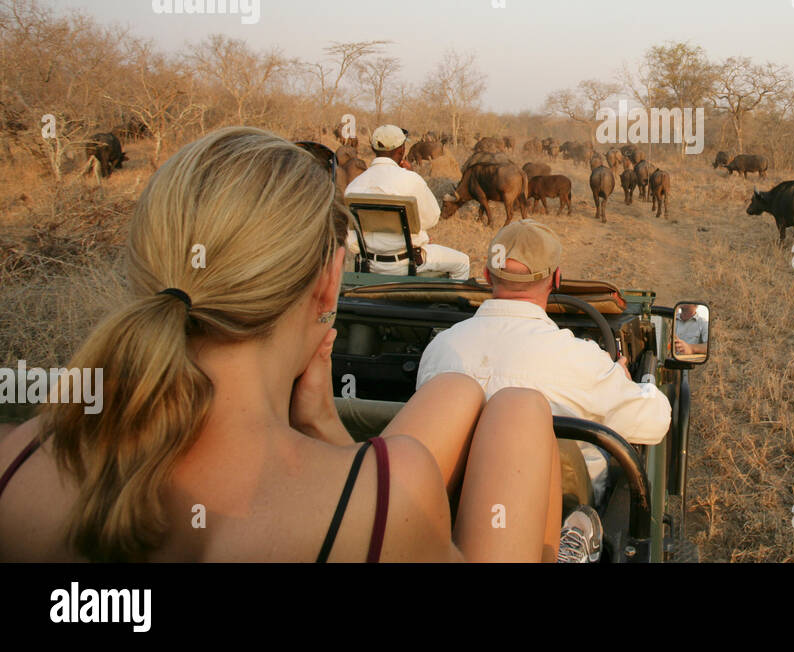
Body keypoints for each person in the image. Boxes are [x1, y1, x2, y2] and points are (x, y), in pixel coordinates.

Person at [0, 127, 565, 562]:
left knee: (462, 392)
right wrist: (332, 437)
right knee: (520, 408)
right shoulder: (385, 499)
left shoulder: (14, 459)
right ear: (330, 280)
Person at [416, 220, 671, 503]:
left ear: (487, 275)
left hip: (452, 509)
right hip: (559, 516)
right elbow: (655, 422)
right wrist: (629, 381)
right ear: (556, 279)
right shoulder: (581, 360)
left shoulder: (438, 349)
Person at [344, 124, 470, 280]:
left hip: (370, 262)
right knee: (463, 262)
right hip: (407, 262)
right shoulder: (410, 179)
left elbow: (350, 234)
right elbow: (432, 218)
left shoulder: (354, 185)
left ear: (373, 148)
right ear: (401, 150)